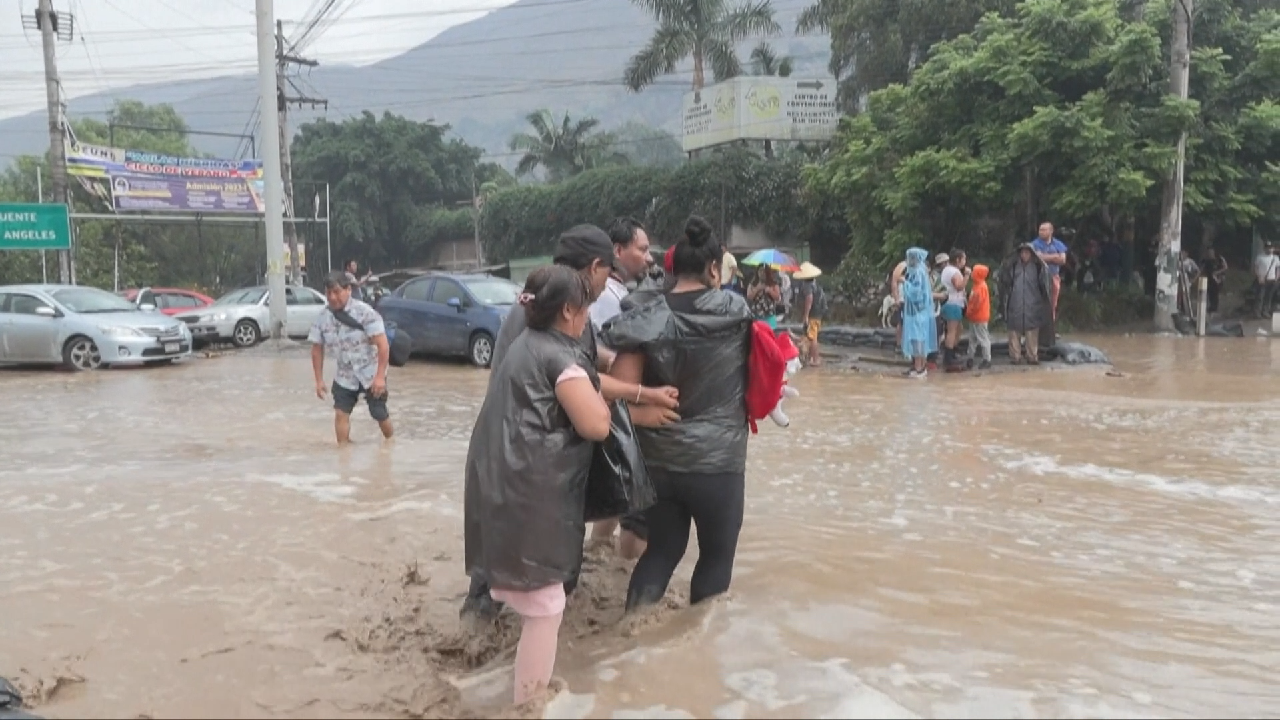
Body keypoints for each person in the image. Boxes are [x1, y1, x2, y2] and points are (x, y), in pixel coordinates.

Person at [461, 225, 679, 621]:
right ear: (594, 268)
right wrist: (642, 399)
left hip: (503, 451)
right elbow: (580, 383)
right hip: (529, 461)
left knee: (496, 570)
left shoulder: (542, 307)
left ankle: (485, 657)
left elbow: (585, 362)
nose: (608, 281)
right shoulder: (559, 318)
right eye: (606, 272)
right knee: (544, 578)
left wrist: (619, 368)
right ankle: (540, 664)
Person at [463, 265, 612, 705]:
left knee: (529, 604)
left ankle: (508, 690)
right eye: (585, 307)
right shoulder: (560, 359)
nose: (587, 317)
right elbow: (596, 425)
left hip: (499, 488)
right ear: (569, 310)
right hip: (530, 498)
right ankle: (528, 705)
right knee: (546, 608)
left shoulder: (523, 345)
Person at [601, 215, 755, 611]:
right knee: (716, 558)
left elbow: (615, 394)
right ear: (714, 270)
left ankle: (632, 632)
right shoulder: (737, 312)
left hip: (661, 461)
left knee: (663, 550)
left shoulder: (648, 316)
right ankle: (700, 650)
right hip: (718, 464)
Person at [588, 216, 654, 561]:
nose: (649, 257)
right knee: (621, 490)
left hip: (609, 407)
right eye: (642, 249)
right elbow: (602, 360)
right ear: (617, 250)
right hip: (609, 408)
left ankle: (596, 551)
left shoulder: (619, 295)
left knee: (613, 492)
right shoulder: (607, 300)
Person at [308, 271, 393, 444]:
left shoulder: (365, 313)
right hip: (345, 374)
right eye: (328, 292)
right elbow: (317, 349)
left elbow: (383, 346)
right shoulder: (323, 317)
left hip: (370, 372)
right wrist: (318, 380)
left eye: (337, 292)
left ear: (348, 290)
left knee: (379, 413)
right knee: (340, 413)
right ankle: (344, 456)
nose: (332, 297)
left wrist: (379, 378)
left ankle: (391, 443)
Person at [998, 243, 1053, 365]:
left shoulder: (1039, 267)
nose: (1024, 255)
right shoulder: (1011, 266)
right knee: (1013, 331)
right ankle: (1015, 357)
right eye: (1022, 252)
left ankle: (1032, 356)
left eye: (1027, 253)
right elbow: (1005, 283)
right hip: (1015, 302)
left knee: (1032, 332)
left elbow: (1045, 287)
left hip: (1033, 304)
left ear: (1032, 254)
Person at [898, 248, 937, 379]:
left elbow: (917, 293)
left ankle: (920, 368)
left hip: (918, 314)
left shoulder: (919, 273)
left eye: (911, 257)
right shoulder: (915, 271)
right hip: (914, 313)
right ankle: (917, 367)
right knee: (915, 341)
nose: (909, 260)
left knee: (919, 341)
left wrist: (905, 283)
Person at [939, 249, 970, 370]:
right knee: (952, 331)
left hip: (949, 302)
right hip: (954, 303)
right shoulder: (954, 272)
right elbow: (959, 286)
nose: (965, 262)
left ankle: (952, 352)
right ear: (958, 260)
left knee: (958, 328)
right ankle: (948, 356)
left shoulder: (946, 270)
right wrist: (966, 275)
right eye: (964, 259)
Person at [1031, 222, 1068, 317]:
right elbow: (1038, 258)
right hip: (1038, 276)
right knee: (1038, 302)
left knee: (1052, 303)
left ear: (1051, 231)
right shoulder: (1035, 244)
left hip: (1054, 276)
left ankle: (1050, 327)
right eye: (1040, 230)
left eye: (1044, 230)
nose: (1041, 232)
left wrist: (1046, 257)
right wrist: (1055, 257)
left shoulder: (1058, 244)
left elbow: (1063, 260)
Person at [793, 262, 826, 366]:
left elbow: (809, 299)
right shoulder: (814, 284)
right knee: (812, 336)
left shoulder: (807, 286)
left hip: (812, 315)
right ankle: (814, 358)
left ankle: (815, 359)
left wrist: (806, 315)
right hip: (818, 314)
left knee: (812, 338)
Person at [965, 264, 992, 370]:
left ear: (978, 274)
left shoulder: (980, 287)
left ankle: (987, 359)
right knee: (972, 338)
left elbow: (977, 303)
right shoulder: (978, 285)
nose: (971, 273)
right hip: (975, 317)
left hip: (979, 317)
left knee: (982, 338)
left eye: (974, 272)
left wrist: (969, 312)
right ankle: (970, 357)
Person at [1255, 244, 1279, 318]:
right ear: (1265, 248)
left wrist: (1277, 277)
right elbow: (1256, 267)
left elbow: (1278, 268)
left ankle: (1265, 312)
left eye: (1271, 248)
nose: (1269, 249)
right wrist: (1259, 277)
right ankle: (1257, 313)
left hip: (1272, 280)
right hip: (1262, 279)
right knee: (1260, 297)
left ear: (1273, 248)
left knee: (1269, 297)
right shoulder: (1260, 257)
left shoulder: (1275, 258)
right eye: (1268, 248)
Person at [1201, 248, 1228, 314]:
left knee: (1215, 293)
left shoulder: (1219, 259)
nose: (1210, 254)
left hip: (1217, 278)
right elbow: (1203, 269)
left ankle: (1214, 307)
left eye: (1211, 252)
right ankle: (1211, 306)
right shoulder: (1207, 261)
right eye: (1209, 253)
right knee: (1210, 292)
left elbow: (1225, 267)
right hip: (1209, 278)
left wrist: (1217, 273)